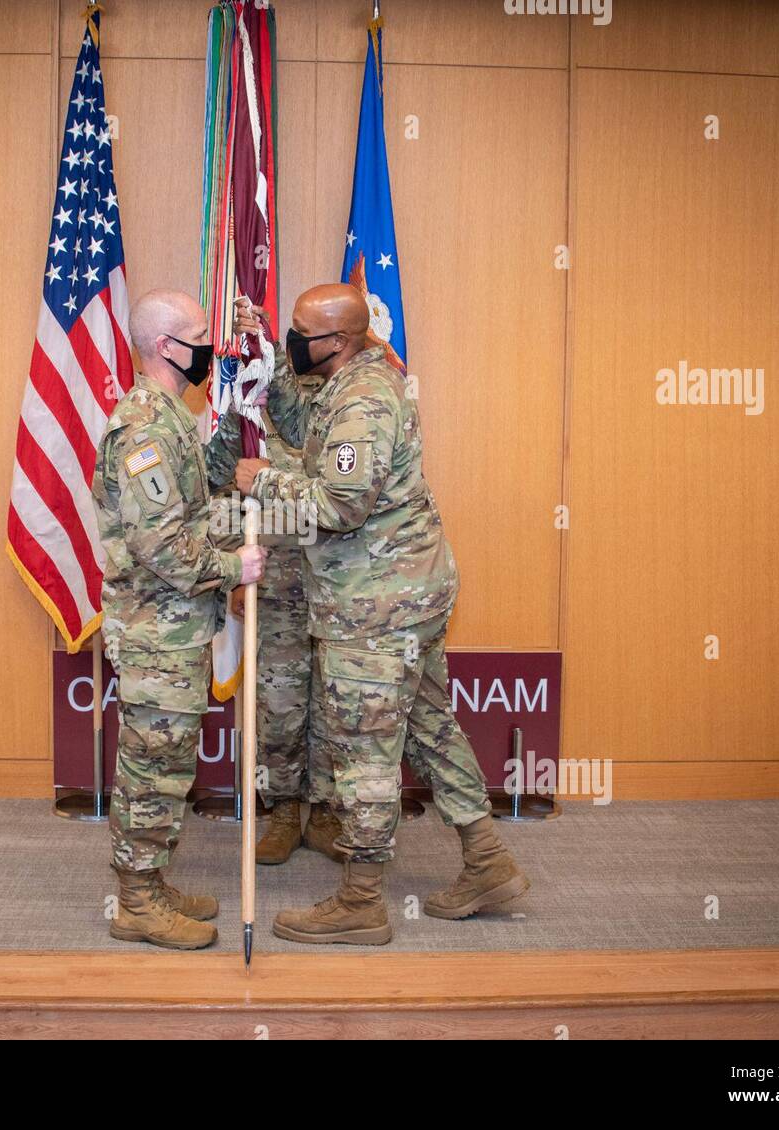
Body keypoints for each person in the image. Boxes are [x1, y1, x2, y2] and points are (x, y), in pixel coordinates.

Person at [234, 284, 530, 945]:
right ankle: (487, 862)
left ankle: (362, 901)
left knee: (364, 751)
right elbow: (305, 426)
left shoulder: (365, 398)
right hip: (409, 594)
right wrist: (265, 357)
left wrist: (263, 481)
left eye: (300, 333)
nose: (293, 340)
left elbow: (342, 506)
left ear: (336, 342)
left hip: (376, 606)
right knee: (429, 730)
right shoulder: (352, 381)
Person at [92, 288, 267, 950]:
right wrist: (234, 570)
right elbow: (162, 546)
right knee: (151, 768)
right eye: (200, 336)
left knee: (167, 767)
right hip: (155, 633)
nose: (211, 348)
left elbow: (197, 496)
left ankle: (152, 881)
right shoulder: (142, 430)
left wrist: (240, 408)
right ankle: (135, 901)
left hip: (176, 627)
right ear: (166, 347)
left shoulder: (171, 417)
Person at [204, 376, 343, 866]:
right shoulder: (250, 417)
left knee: (332, 705)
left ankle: (325, 814)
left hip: (337, 588)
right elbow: (218, 497)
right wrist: (233, 575)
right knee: (278, 707)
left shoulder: (336, 415)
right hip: (274, 587)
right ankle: (282, 813)